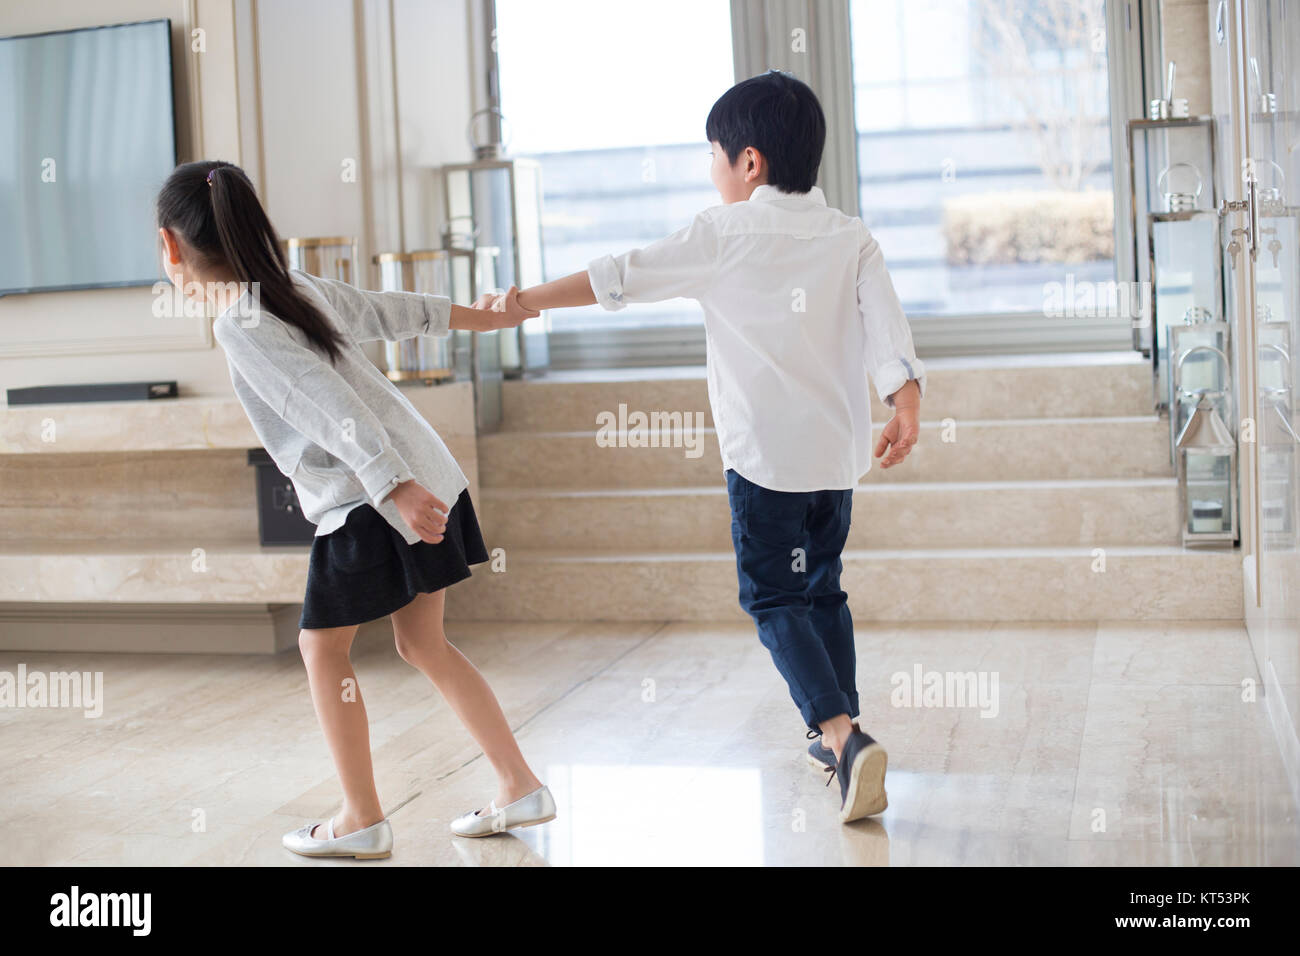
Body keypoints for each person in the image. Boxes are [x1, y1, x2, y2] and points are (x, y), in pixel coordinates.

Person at [485, 71, 925, 823]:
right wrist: (905, 404)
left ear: (748, 163)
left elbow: (621, 277)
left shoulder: (723, 234)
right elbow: (887, 330)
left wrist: (524, 301)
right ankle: (840, 740)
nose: (711, 173)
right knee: (822, 590)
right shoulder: (850, 234)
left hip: (765, 464)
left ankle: (842, 733)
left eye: (714, 156)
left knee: (774, 596)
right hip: (834, 461)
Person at [155, 160, 557, 857]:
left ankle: (360, 818)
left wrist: (390, 485)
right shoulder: (291, 289)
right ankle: (518, 785)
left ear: (171, 246)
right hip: (427, 472)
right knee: (421, 643)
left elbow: (329, 408)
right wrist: (484, 319)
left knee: (320, 647)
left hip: (378, 496)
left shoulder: (242, 324)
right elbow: (392, 311)